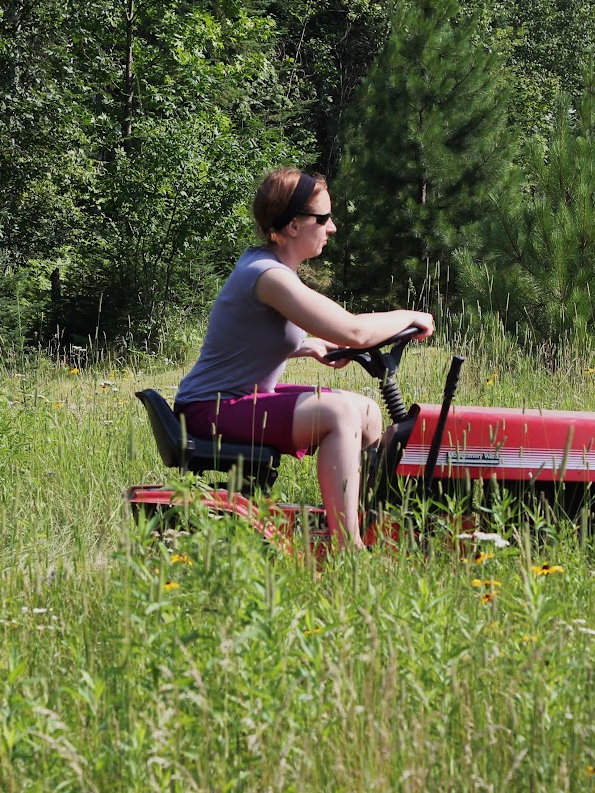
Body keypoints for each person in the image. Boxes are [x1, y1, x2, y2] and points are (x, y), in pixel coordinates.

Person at [174, 167, 434, 548]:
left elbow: (245, 336)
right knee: (339, 414)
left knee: (365, 410)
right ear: (294, 225)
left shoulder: (268, 268)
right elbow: (354, 331)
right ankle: (348, 547)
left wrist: (305, 345)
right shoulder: (270, 277)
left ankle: (371, 520)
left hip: (232, 399)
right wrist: (411, 316)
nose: (332, 228)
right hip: (209, 408)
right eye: (323, 218)